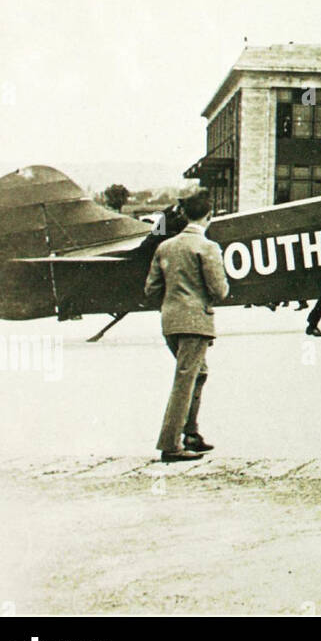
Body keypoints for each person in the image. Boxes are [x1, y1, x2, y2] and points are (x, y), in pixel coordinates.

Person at [144, 191, 229, 461]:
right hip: (196, 323)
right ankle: (171, 446)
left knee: (198, 374)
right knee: (185, 380)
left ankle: (191, 433)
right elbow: (220, 290)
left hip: (170, 322)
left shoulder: (165, 247)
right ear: (209, 216)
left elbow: (151, 289)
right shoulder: (207, 247)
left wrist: (173, 303)